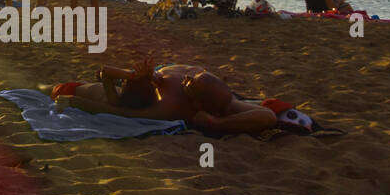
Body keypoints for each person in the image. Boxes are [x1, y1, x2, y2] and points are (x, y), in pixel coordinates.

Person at [54, 61, 277, 136]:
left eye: (191, 82)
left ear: (197, 102)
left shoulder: (171, 106)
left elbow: (120, 113)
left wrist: (218, 124)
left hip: (101, 91)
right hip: (130, 85)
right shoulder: (210, 90)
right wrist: (145, 75)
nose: (187, 78)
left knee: (61, 88)